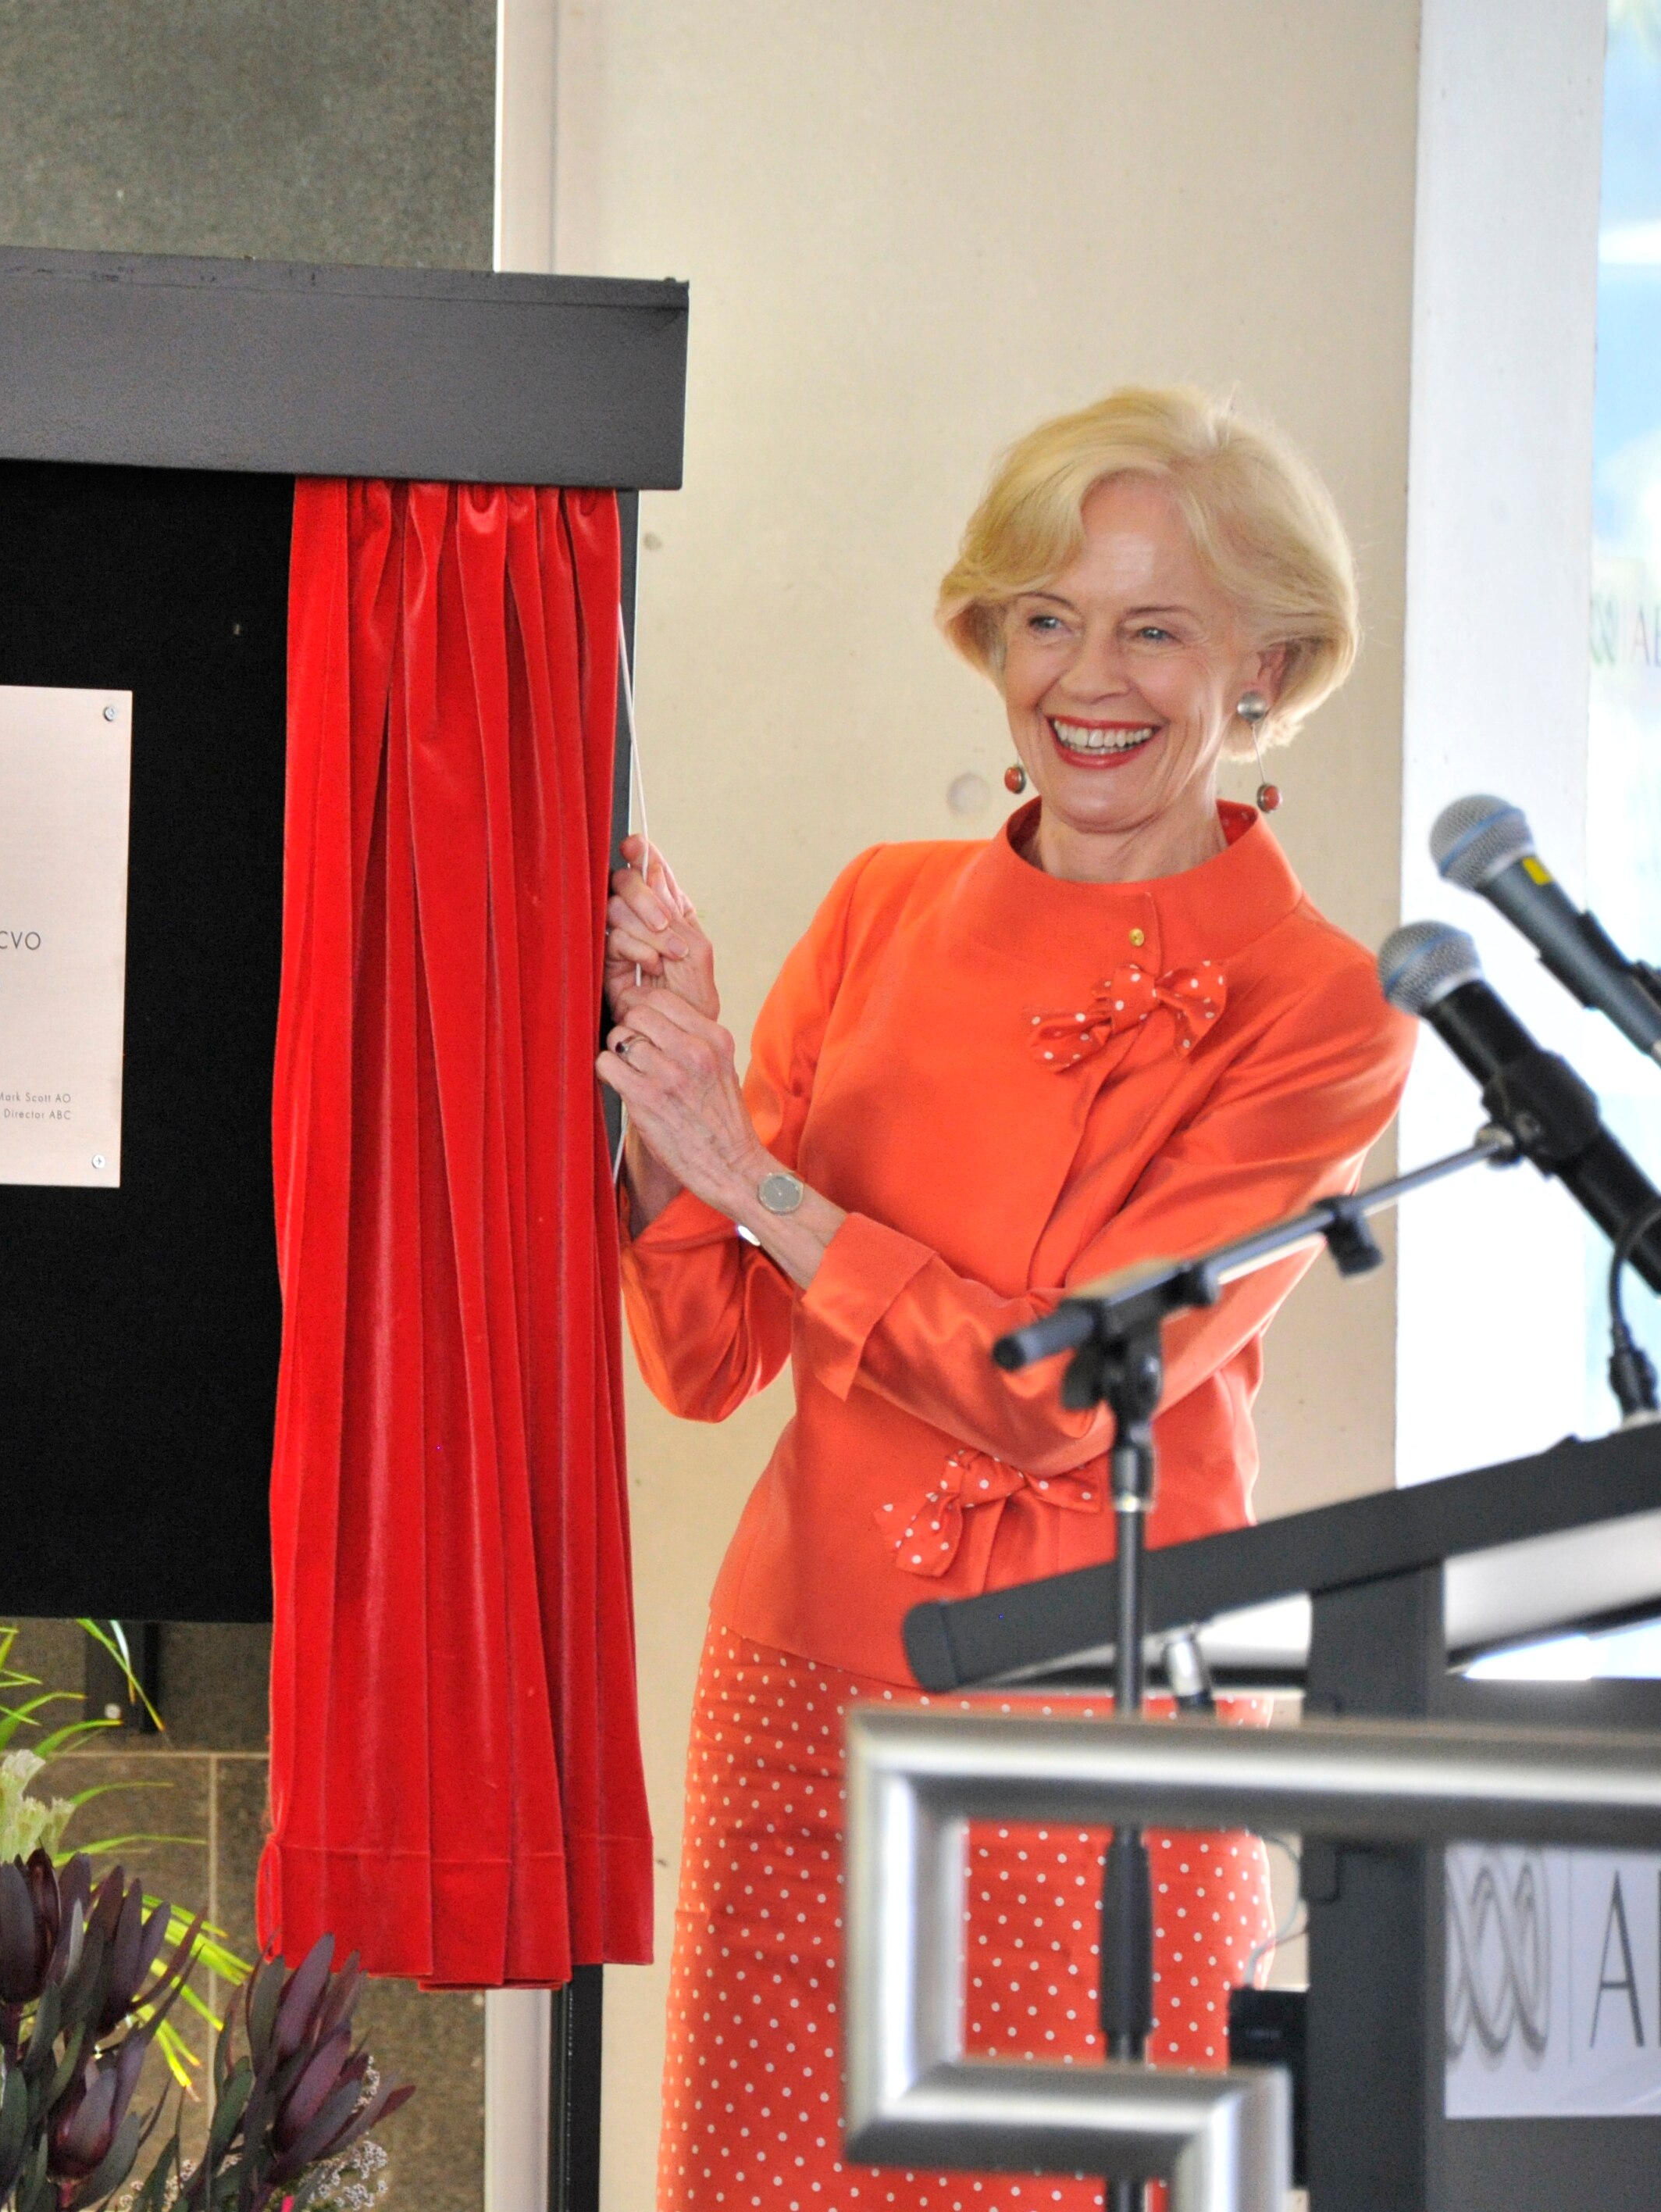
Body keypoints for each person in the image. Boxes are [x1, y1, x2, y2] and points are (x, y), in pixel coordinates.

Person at [596, 388, 1413, 2208]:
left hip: (1088, 1740)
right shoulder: (884, 910)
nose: (1085, 676)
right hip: (798, 1698)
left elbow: (1065, 1398)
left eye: (1152, 625)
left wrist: (755, 1180)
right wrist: (670, 1105)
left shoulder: (1324, 1007)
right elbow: (707, 1355)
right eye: (1045, 617)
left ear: (1263, 665)